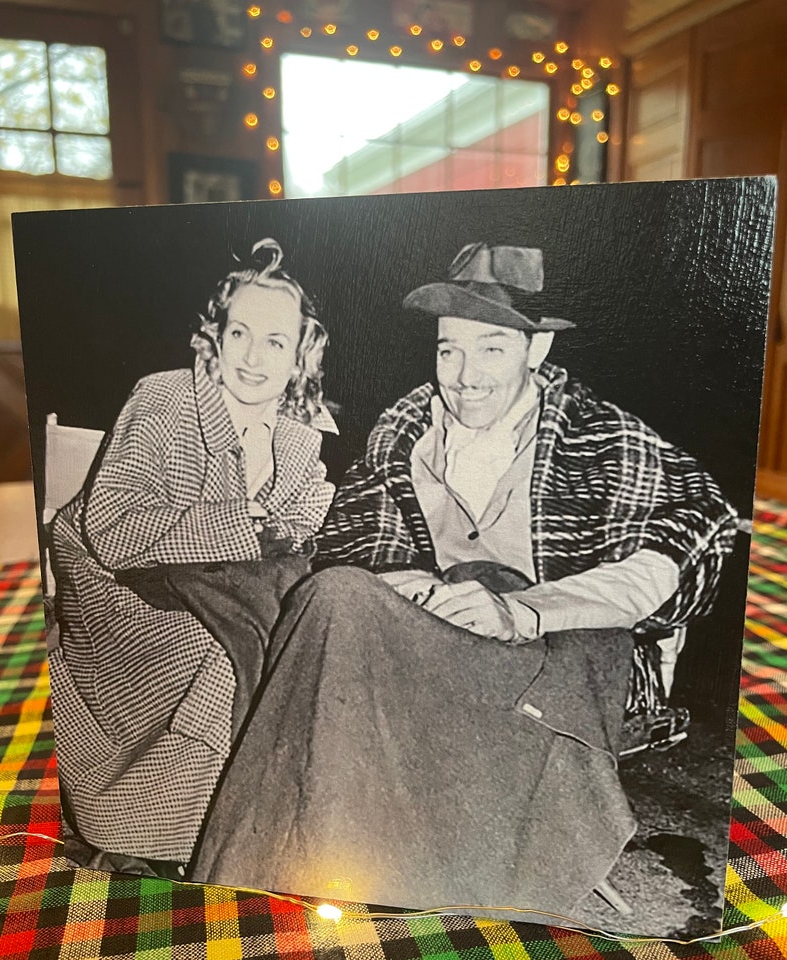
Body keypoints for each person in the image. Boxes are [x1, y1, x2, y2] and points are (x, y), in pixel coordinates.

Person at [192, 243, 739, 915]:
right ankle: (278, 875)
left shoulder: (599, 437)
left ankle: (235, 885)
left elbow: (700, 532)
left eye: (491, 350)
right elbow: (355, 537)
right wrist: (416, 585)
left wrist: (527, 609)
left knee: (330, 604)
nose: (464, 375)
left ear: (537, 351)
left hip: (546, 665)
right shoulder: (405, 428)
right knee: (294, 591)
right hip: (432, 646)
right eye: (449, 350)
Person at [49, 238, 336, 875]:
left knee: (302, 649)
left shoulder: (299, 441)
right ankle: (143, 836)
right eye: (240, 333)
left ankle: (241, 827)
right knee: (227, 656)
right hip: (116, 599)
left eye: (275, 343)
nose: (254, 358)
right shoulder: (165, 397)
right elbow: (113, 529)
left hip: (216, 599)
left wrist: (270, 535)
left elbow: (302, 528)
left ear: (299, 358)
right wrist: (248, 529)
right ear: (216, 336)